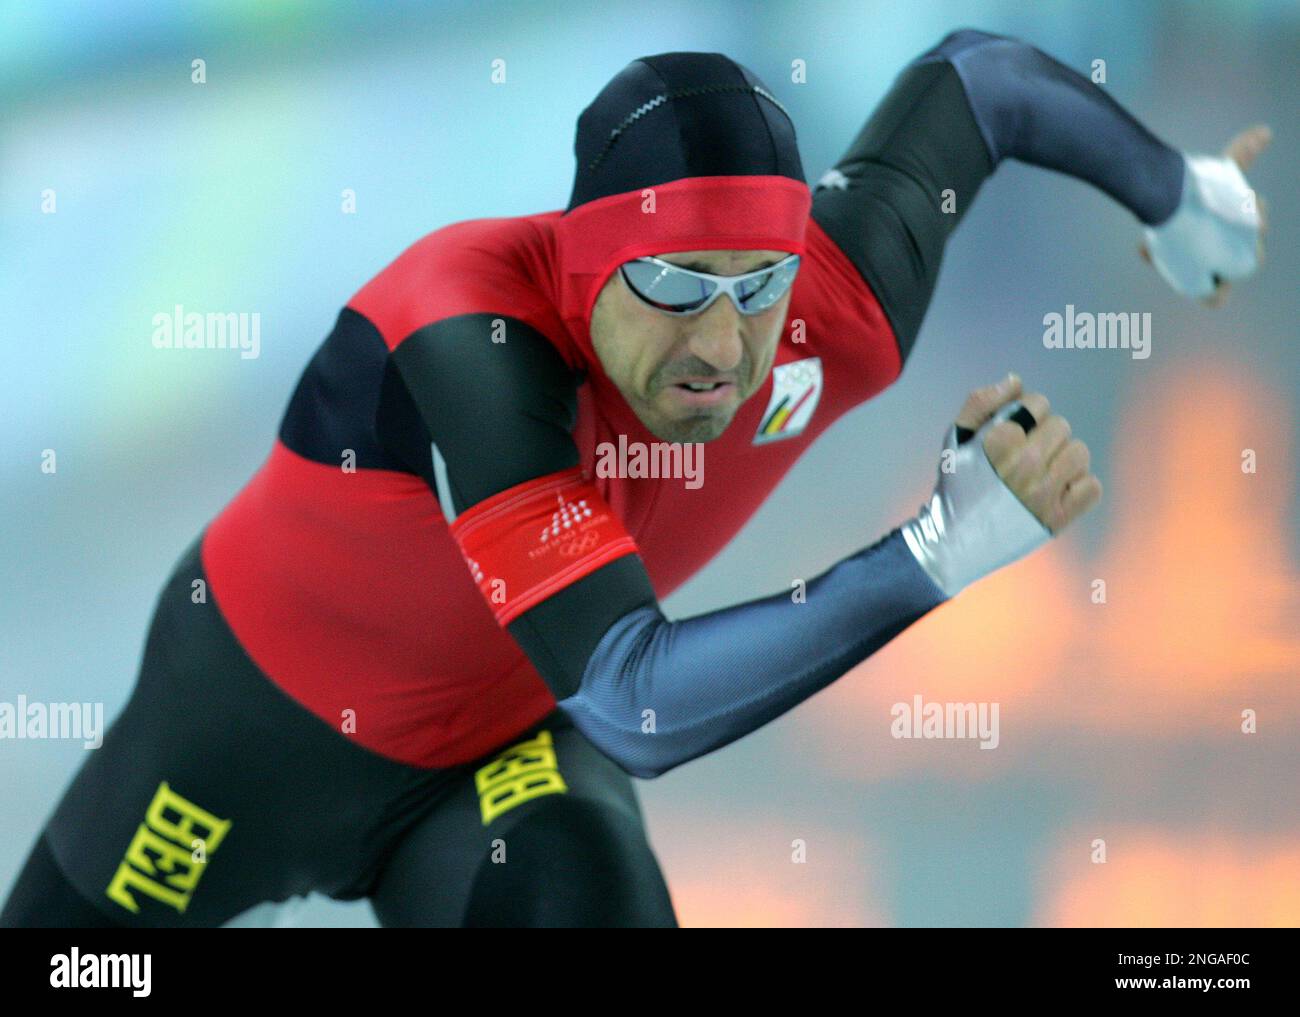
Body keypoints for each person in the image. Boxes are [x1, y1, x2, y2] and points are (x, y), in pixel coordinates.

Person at [2, 30, 1267, 928]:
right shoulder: (466, 332)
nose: (720, 347)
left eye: (756, 287)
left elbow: (983, 87)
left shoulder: (836, 311)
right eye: (668, 288)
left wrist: (1178, 191)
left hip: (492, 752)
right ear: (575, 268)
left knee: (577, 895)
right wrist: (935, 551)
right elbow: (633, 706)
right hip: (239, 752)